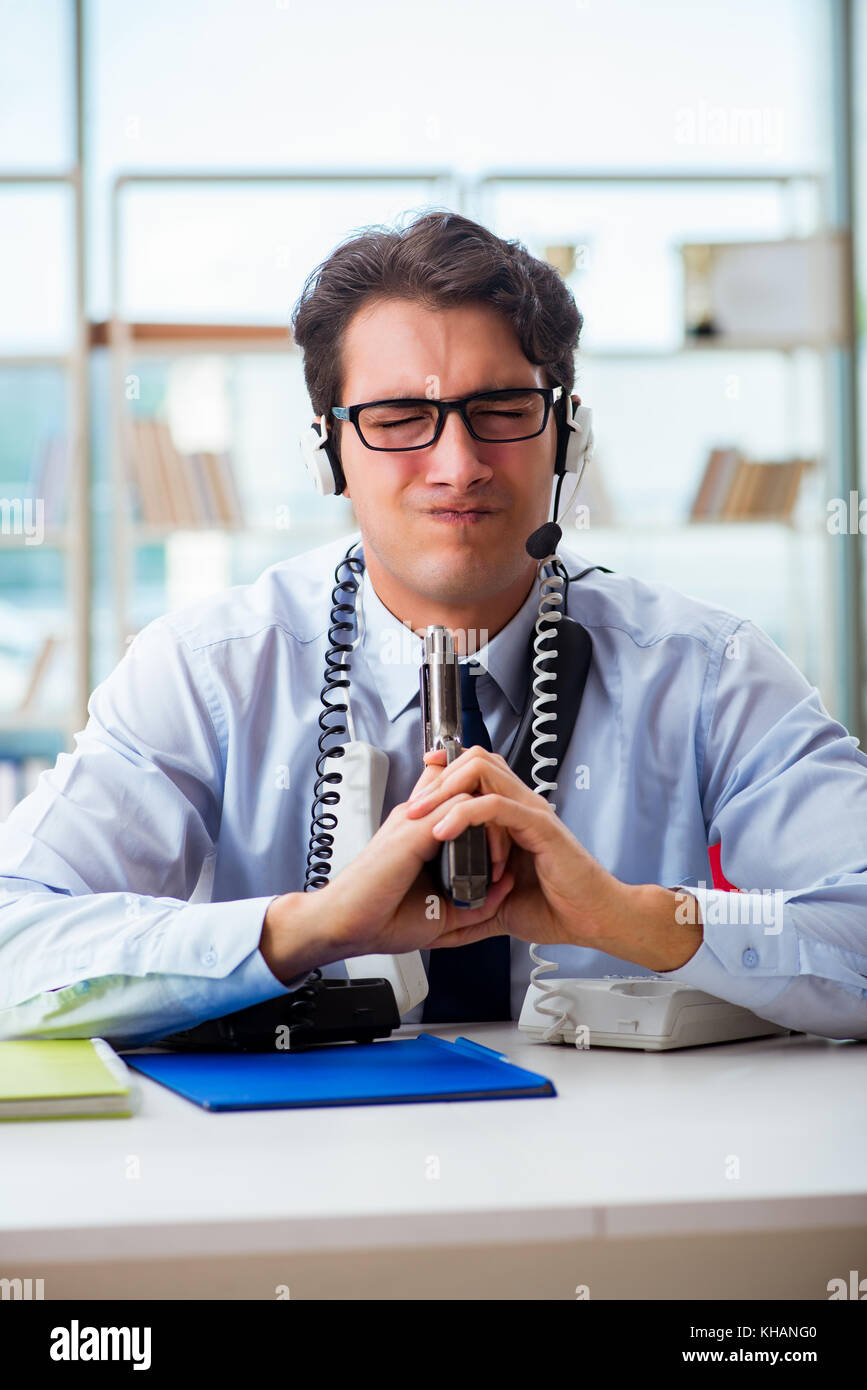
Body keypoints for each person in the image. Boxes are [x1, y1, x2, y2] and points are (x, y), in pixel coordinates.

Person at [0, 210, 865, 1047]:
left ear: (567, 435)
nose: (457, 466)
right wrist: (303, 930)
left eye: (500, 409)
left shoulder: (708, 670)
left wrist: (641, 918)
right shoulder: (208, 670)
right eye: (398, 419)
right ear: (328, 453)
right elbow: (16, 940)